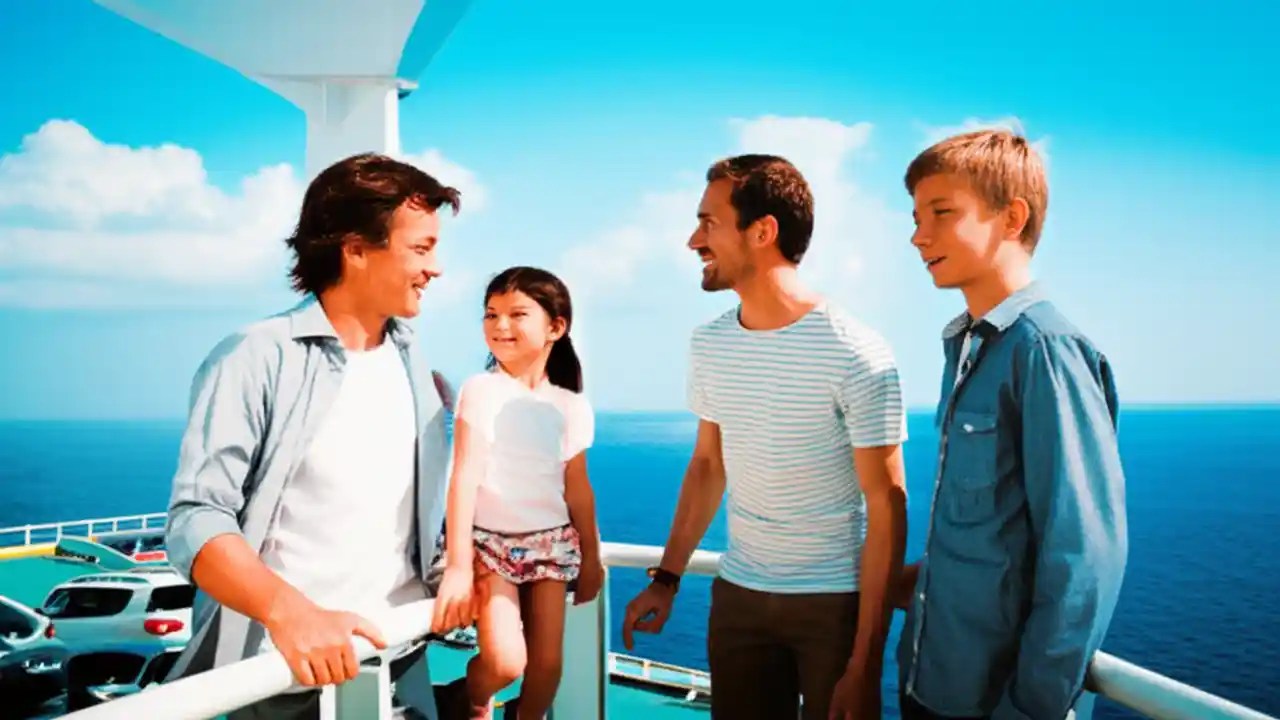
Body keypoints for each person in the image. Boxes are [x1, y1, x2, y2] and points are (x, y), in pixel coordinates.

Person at [162, 152, 461, 719]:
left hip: (402, 662)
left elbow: (405, 521)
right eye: (421, 248)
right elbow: (196, 518)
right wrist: (291, 612)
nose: (437, 267)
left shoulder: (413, 360)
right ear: (354, 249)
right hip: (284, 679)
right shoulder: (254, 356)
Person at [620, 154, 909, 720]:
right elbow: (708, 466)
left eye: (708, 222)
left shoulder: (856, 352)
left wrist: (867, 659)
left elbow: (887, 503)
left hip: (832, 605)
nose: (691, 240)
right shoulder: (710, 344)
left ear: (763, 231)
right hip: (738, 601)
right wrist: (667, 579)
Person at [894, 128, 1128, 720]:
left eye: (942, 213)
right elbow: (993, 531)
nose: (918, 235)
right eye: (917, 216)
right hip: (931, 681)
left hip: (992, 705)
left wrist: (1030, 709)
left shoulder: (1045, 351)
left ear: (1012, 218)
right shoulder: (970, 345)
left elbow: (1085, 555)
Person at [430, 266, 605, 720]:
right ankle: (466, 698)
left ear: (556, 327)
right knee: (508, 662)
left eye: (516, 314)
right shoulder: (482, 389)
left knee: (547, 669)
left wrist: (592, 558)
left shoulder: (571, 405)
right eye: (491, 314)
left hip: (552, 541)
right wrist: (457, 567)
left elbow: (578, 489)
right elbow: (465, 474)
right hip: (491, 544)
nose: (499, 325)